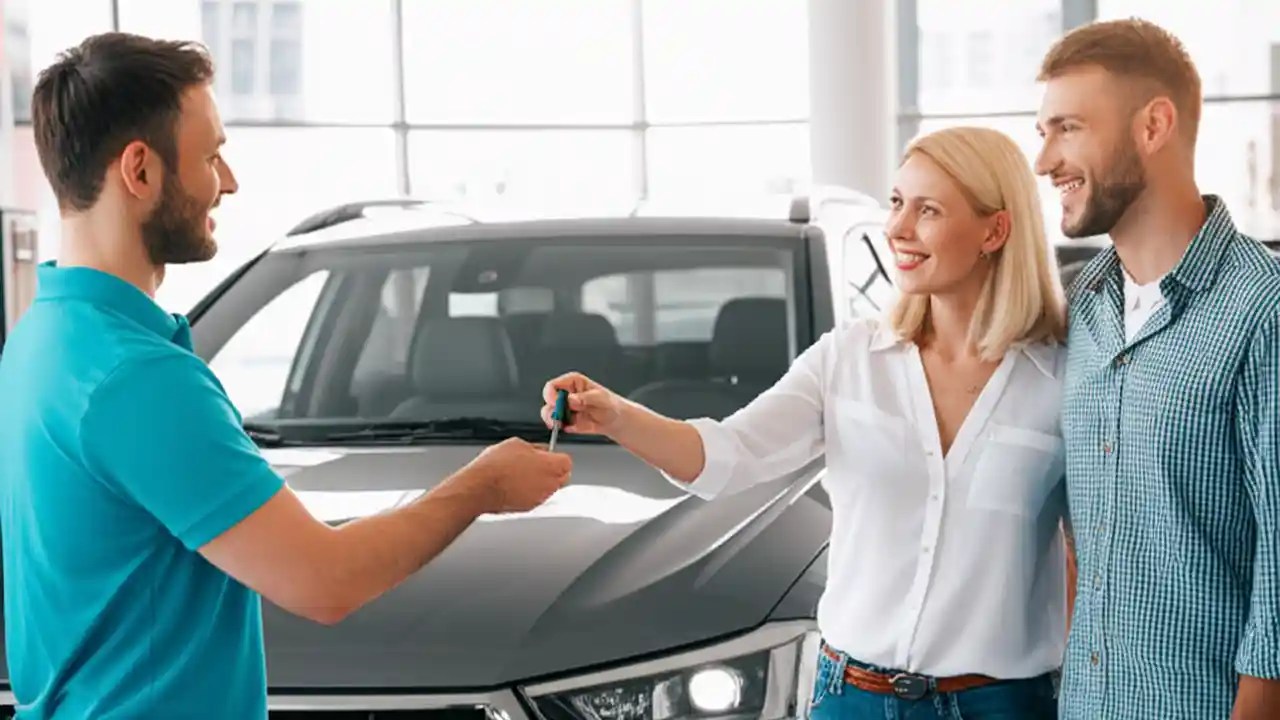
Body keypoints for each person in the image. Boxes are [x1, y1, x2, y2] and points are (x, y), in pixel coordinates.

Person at [0, 32, 571, 719]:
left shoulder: (41, 340)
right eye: (211, 155)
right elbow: (324, 581)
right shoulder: (137, 378)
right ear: (140, 171)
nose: (230, 181)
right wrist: (483, 486)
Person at [543, 126, 1070, 719]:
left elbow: (1097, 552)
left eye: (928, 210)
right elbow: (727, 456)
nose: (897, 229)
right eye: (897, 203)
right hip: (853, 701)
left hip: (1004, 705)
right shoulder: (847, 359)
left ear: (994, 230)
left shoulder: (1061, 379)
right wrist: (617, 415)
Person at [1033, 18, 1280, 720]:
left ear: (1154, 125)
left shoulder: (1266, 313)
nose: (1044, 160)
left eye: (1068, 128)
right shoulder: (1081, 307)